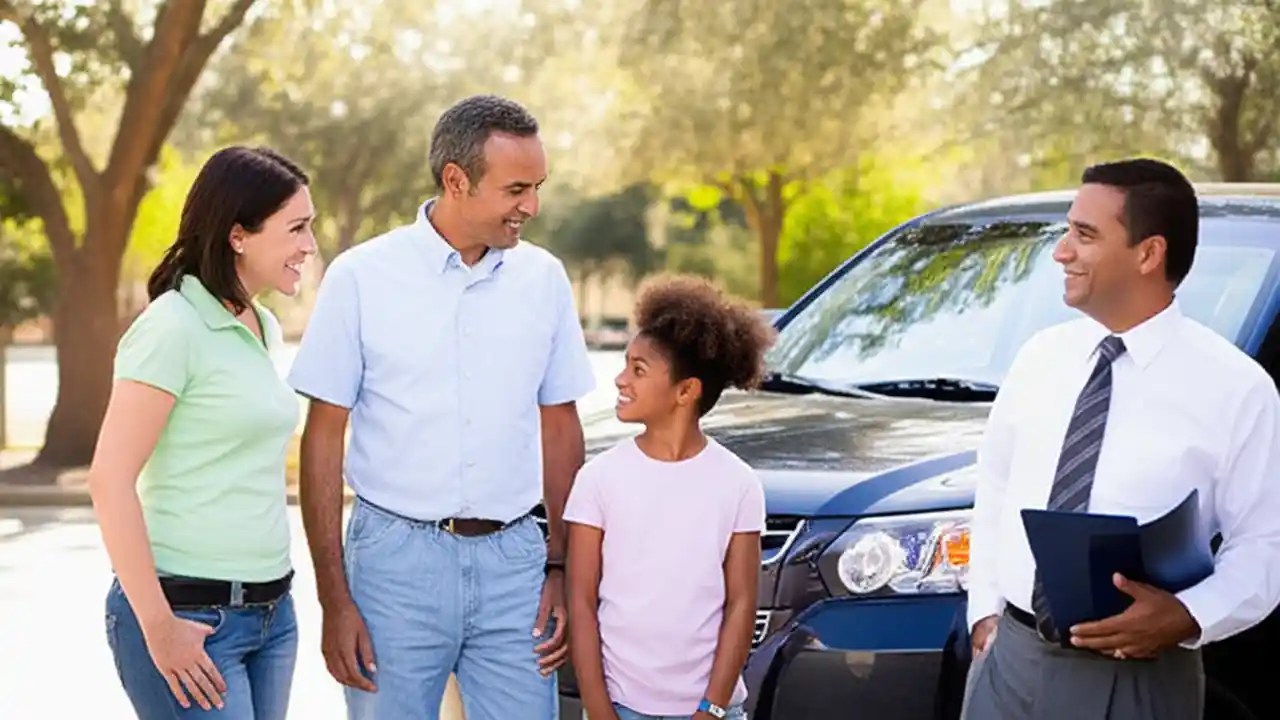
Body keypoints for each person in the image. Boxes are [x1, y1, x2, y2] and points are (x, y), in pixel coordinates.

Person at [287, 94, 594, 720]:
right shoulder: (360, 277)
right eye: (515, 189)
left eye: (537, 187)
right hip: (394, 563)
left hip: (517, 563)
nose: (531, 207)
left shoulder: (545, 280)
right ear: (456, 181)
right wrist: (334, 598)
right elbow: (323, 439)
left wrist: (561, 567)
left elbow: (561, 427)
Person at [961, 158, 1280, 719]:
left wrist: (1188, 614)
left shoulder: (1237, 388)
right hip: (1007, 667)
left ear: (1148, 253)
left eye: (1084, 235)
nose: (1061, 251)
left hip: (1137, 679)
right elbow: (995, 487)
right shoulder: (1039, 359)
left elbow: (1265, 547)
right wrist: (985, 614)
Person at [89, 146, 317, 719]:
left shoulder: (261, 325)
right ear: (239, 235)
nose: (308, 246)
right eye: (296, 228)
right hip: (191, 616)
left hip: (272, 616)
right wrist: (159, 628)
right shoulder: (172, 327)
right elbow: (109, 481)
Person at [565, 275, 773, 720]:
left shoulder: (737, 484)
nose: (621, 379)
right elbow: (581, 603)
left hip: (711, 711)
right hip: (620, 709)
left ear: (686, 391)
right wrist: (599, 710)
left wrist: (712, 709)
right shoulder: (598, 479)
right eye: (625, 364)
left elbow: (740, 605)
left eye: (638, 369)